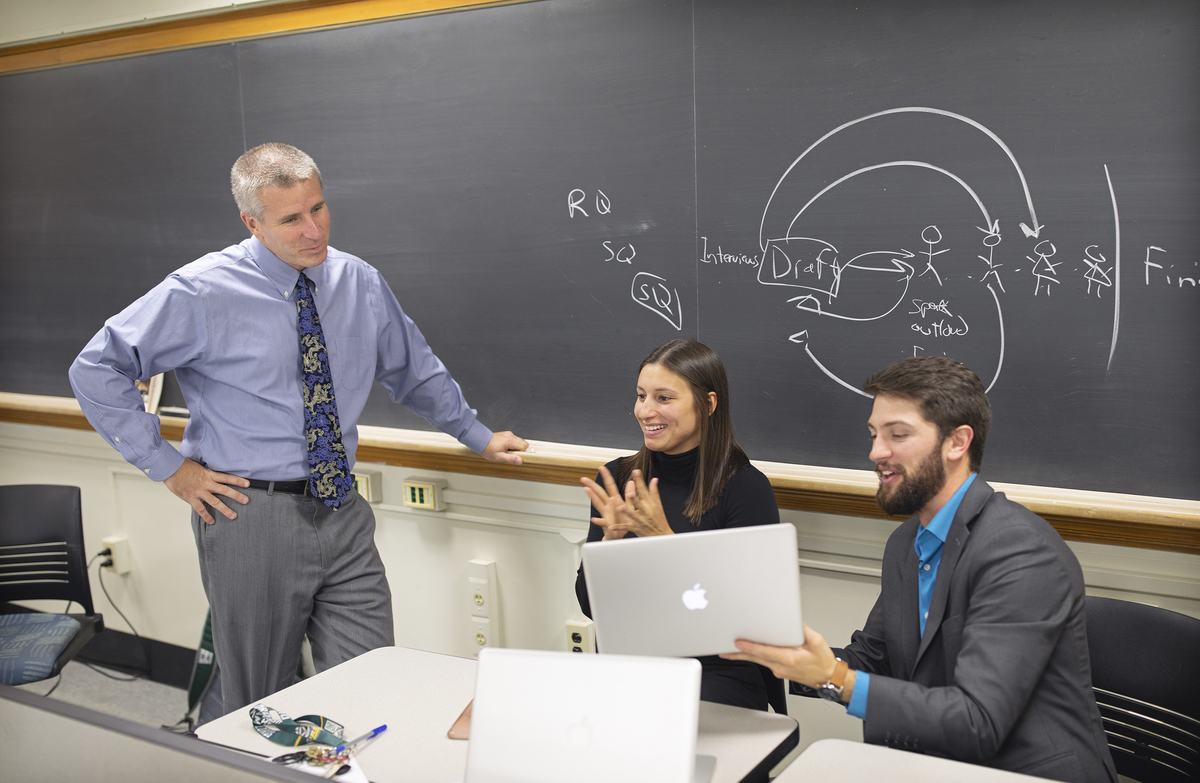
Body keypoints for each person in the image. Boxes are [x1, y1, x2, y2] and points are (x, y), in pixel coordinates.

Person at [69, 143, 527, 715]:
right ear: (252, 222)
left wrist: (477, 436)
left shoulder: (357, 281)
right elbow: (96, 368)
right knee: (260, 703)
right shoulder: (201, 290)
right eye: (291, 219)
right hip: (249, 514)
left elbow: (414, 369)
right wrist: (170, 468)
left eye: (318, 208)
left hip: (342, 509)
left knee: (373, 685)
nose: (313, 230)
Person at [723, 356, 1117, 782]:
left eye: (898, 435)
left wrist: (834, 678)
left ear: (957, 442)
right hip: (937, 763)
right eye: (874, 435)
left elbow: (978, 721)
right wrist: (784, 656)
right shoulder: (907, 542)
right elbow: (873, 658)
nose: (876, 452)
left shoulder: (1020, 551)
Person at [574, 339, 781, 710]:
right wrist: (610, 542)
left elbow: (746, 621)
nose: (645, 410)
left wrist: (664, 540)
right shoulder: (618, 478)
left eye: (664, 398)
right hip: (628, 666)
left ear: (708, 404)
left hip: (714, 674)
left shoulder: (745, 489)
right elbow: (591, 607)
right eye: (641, 396)